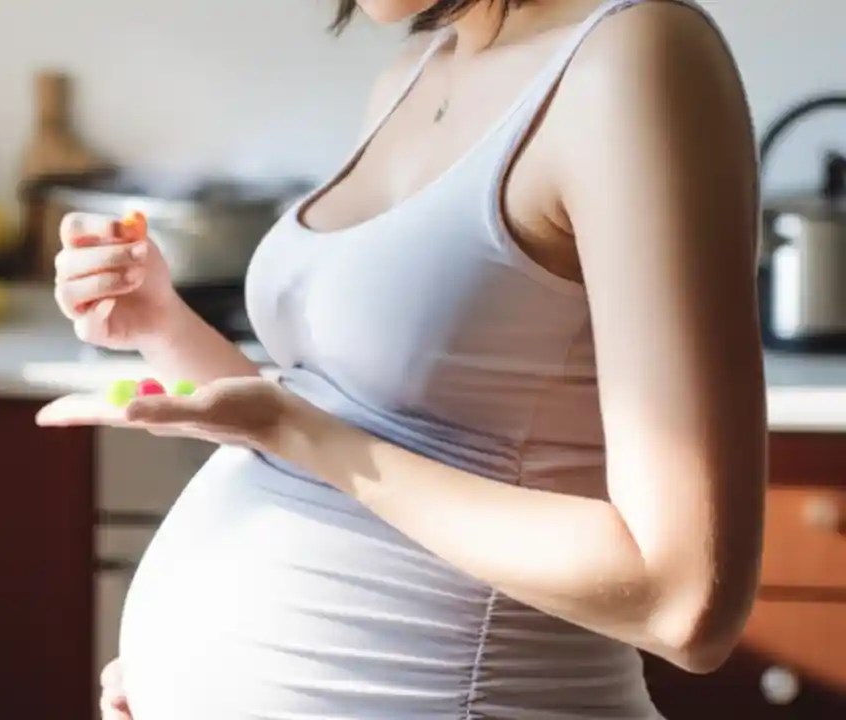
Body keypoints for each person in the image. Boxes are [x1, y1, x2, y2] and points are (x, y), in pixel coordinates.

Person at [41, 0, 766, 717]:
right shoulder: (416, 71)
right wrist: (160, 321)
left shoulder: (635, 56)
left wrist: (295, 432)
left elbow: (683, 601)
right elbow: (347, 426)